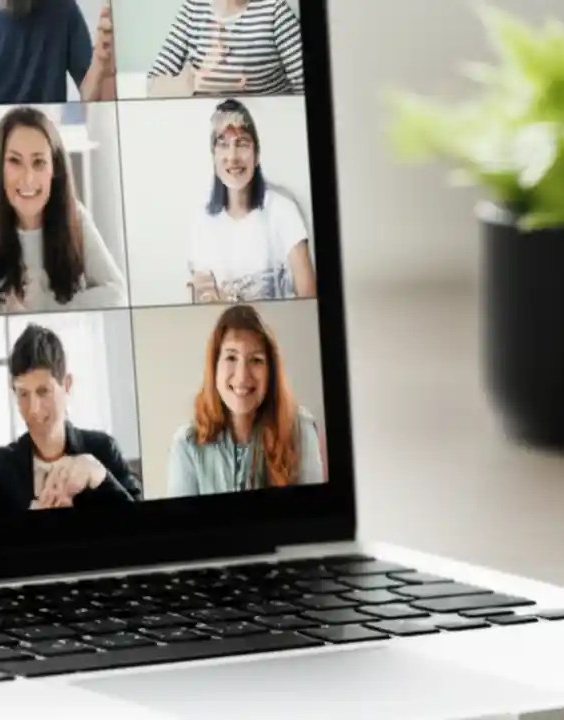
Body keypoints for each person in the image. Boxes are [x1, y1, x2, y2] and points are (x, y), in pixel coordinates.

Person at [0, 106, 128, 318]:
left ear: (54, 170)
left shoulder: (76, 220)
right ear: (0, 169)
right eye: (15, 161)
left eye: (38, 162)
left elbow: (117, 294)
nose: (28, 178)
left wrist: (47, 306)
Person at [0, 324, 141, 519]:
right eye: (23, 394)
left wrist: (100, 476)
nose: (33, 409)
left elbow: (145, 528)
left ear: (66, 385)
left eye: (43, 391)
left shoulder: (103, 450)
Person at [167, 304, 324, 497]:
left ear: (270, 372)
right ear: (214, 367)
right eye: (231, 358)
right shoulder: (186, 444)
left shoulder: (300, 429)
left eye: (256, 360)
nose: (242, 376)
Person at [185, 99, 316, 303]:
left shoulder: (283, 210)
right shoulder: (202, 221)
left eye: (242, 143)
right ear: (213, 156)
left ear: (257, 155)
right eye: (223, 145)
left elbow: (309, 299)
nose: (233, 156)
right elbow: (202, 303)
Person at [147, 0, 304, 98]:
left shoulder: (275, 10)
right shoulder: (193, 8)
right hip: (206, 129)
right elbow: (153, 87)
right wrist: (195, 83)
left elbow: (307, 89)